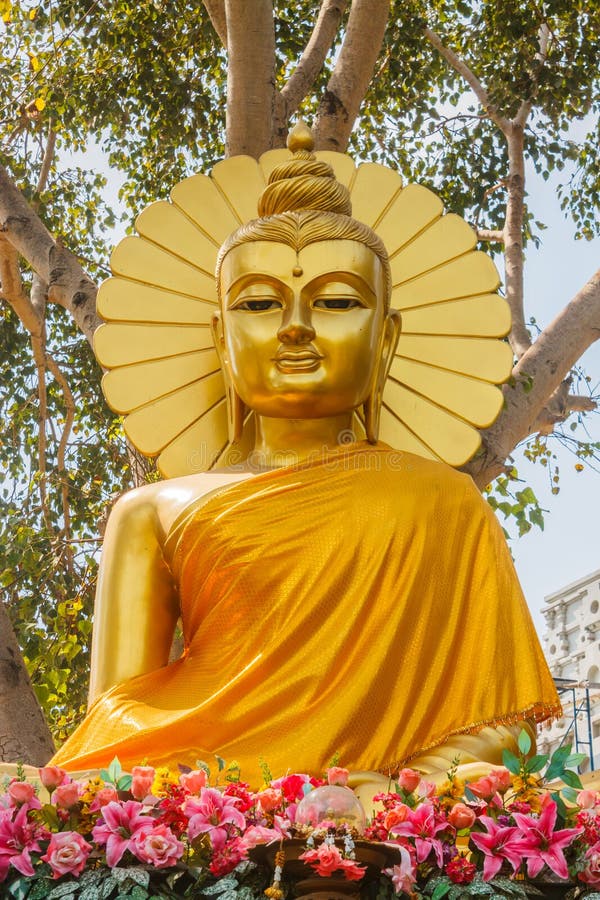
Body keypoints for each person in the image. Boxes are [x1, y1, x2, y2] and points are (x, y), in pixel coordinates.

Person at [51, 126, 560, 786]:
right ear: (221, 337)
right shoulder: (152, 513)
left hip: (381, 814)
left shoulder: (444, 502)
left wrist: (407, 790)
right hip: (198, 799)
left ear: (387, 340)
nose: (295, 325)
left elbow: (507, 724)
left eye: (338, 302)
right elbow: (110, 737)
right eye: (259, 302)